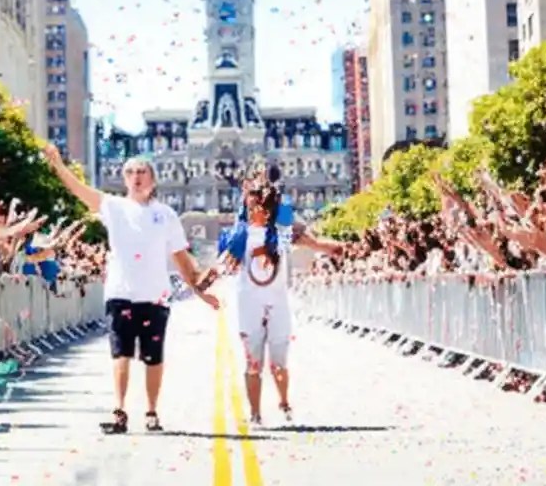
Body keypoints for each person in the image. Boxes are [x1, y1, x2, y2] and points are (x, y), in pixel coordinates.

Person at [42, 143, 219, 434]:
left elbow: (182, 259)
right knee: (120, 353)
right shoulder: (113, 206)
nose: (136, 177)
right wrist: (59, 165)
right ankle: (120, 410)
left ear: (153, 179)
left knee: (153, 357)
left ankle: (151, 412)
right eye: (131, 172)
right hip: (120, 293)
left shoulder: (166, 215)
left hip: (156, 295)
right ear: (124, 179)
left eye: (142, 172)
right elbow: (79, 190)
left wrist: (200, 291)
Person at [218, 177, 342, 426]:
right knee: (252, 361)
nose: (256, 206)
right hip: (248, 304)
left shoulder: (282, 232)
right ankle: (254, 413)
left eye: (261, 201)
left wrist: (335, 248)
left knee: (279, 361)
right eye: (251, 200)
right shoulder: (237, 236)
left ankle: (284, 403)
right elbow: (223, 264)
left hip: (278, 303)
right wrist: (204, 281)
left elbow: (312, 242)